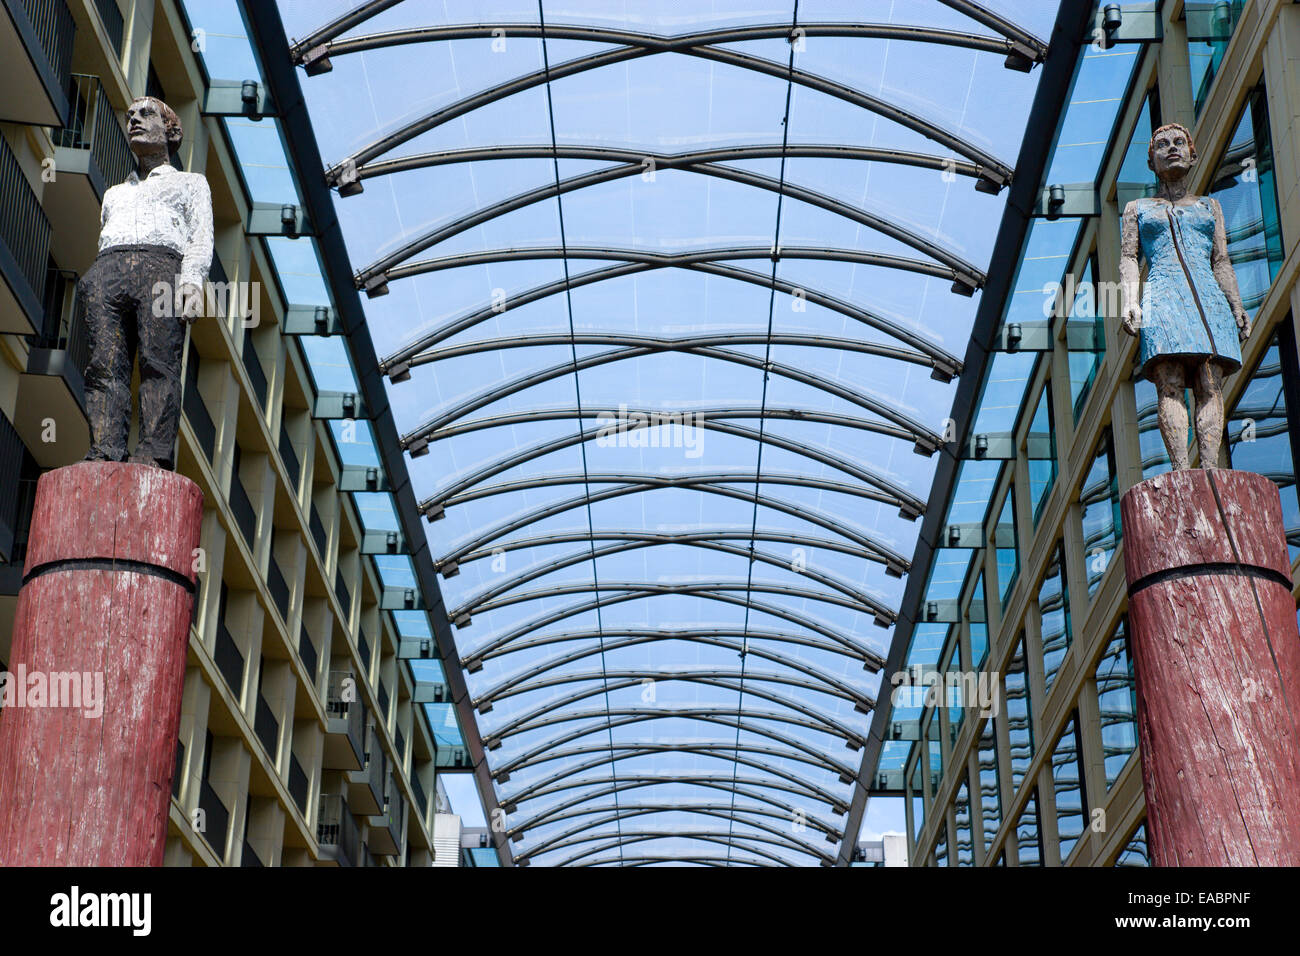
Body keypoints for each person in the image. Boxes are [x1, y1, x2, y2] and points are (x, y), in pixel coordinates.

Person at [78, 96, 212, 470]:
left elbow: (200, 236)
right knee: (103, 365)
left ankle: (153, 452)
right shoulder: (114, 193)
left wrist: (192, 282)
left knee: (159, 365)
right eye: (130, 115)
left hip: (162, 266)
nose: (134, 119)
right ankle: (104, 450)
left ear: (171, 130)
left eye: (146, 113)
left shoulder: (191, 184)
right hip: (109, 268)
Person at [1119, 121, 1251, 471]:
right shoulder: (1138, 208)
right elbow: (1129, 258)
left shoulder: (1210, 208)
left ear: (1193, 156)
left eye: (1180, 143)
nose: (1172, 148)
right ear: (1152, 162)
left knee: (1210, 381)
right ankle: (1180, 469)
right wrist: (1130, 302)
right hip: (1162, 297)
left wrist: (1237, 305)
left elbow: (1221, 260)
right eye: (1162, 145)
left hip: (1209, 301)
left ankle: (1210, 467)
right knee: (1170, 380)